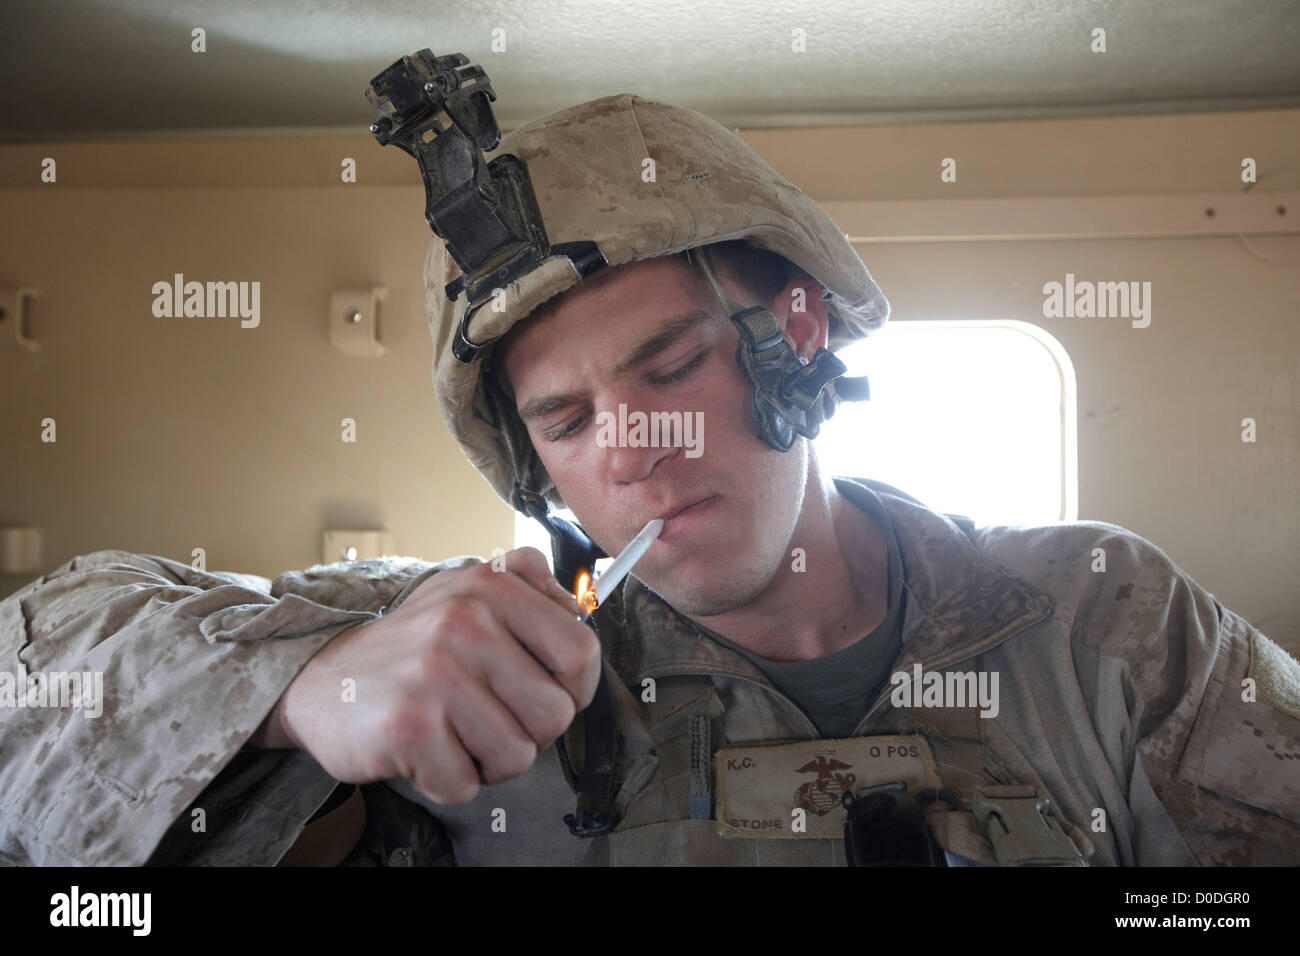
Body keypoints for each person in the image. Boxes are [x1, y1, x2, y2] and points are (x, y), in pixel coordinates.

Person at [1, 93, 1296, 867]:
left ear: (793, 338)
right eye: (563, 418)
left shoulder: (1103, 611)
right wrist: (300, 687)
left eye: (669, 366)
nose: (628, 450)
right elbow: (29, 670)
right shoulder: (478, 657)